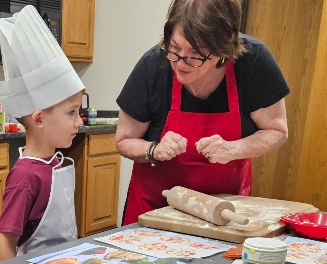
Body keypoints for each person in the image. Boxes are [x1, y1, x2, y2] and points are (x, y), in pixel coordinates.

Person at [116, 0, 290, 225]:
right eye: (175, 48)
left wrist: (233, 148)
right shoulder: (153, 66)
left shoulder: (252, 62)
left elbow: (277, 131)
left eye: (195, 54)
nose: (181, 62)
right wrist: (154, 149)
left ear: (224, 48)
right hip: (156, 207)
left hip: (223, 213)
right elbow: (124, 140)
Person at [0, 5, 85, 260]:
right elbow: (5, 240)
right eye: (71, 113)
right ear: (39, 119)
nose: (79, 122)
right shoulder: (25, 177)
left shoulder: (53, 163)